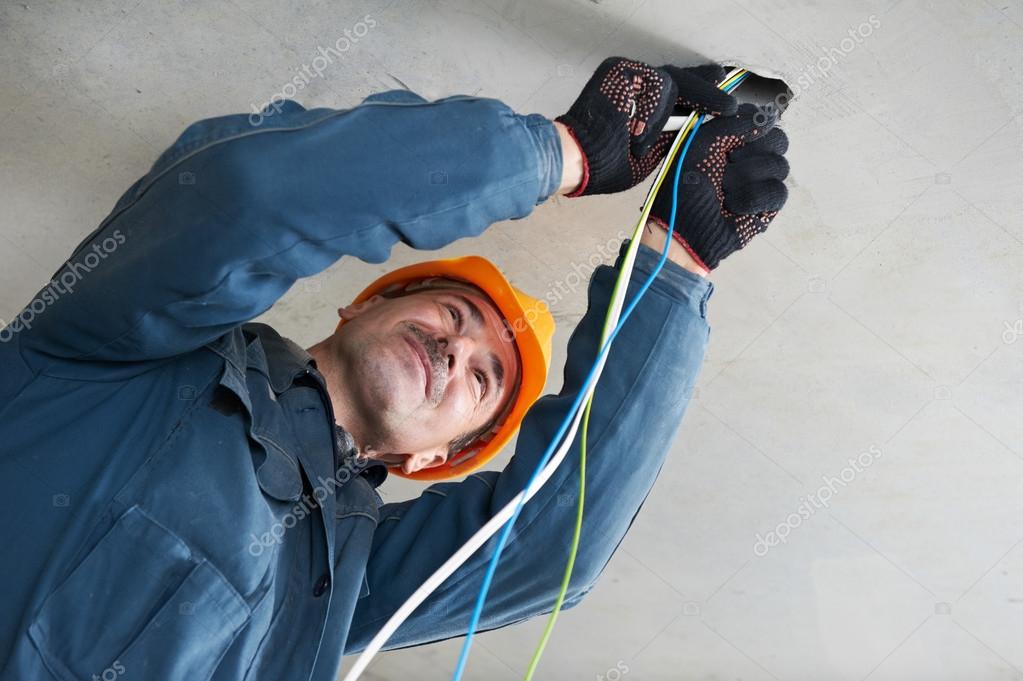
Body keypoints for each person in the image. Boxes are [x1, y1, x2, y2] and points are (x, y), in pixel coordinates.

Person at [0, 57, 789, 681]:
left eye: (483, 378)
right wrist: (567, 150)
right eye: (451, 314)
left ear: (432, 460)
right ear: (356, 307)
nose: (455, 350)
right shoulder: (121, 354)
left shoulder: (348, 584)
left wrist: (674, 264)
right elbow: (238, 199)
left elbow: (554, 547)